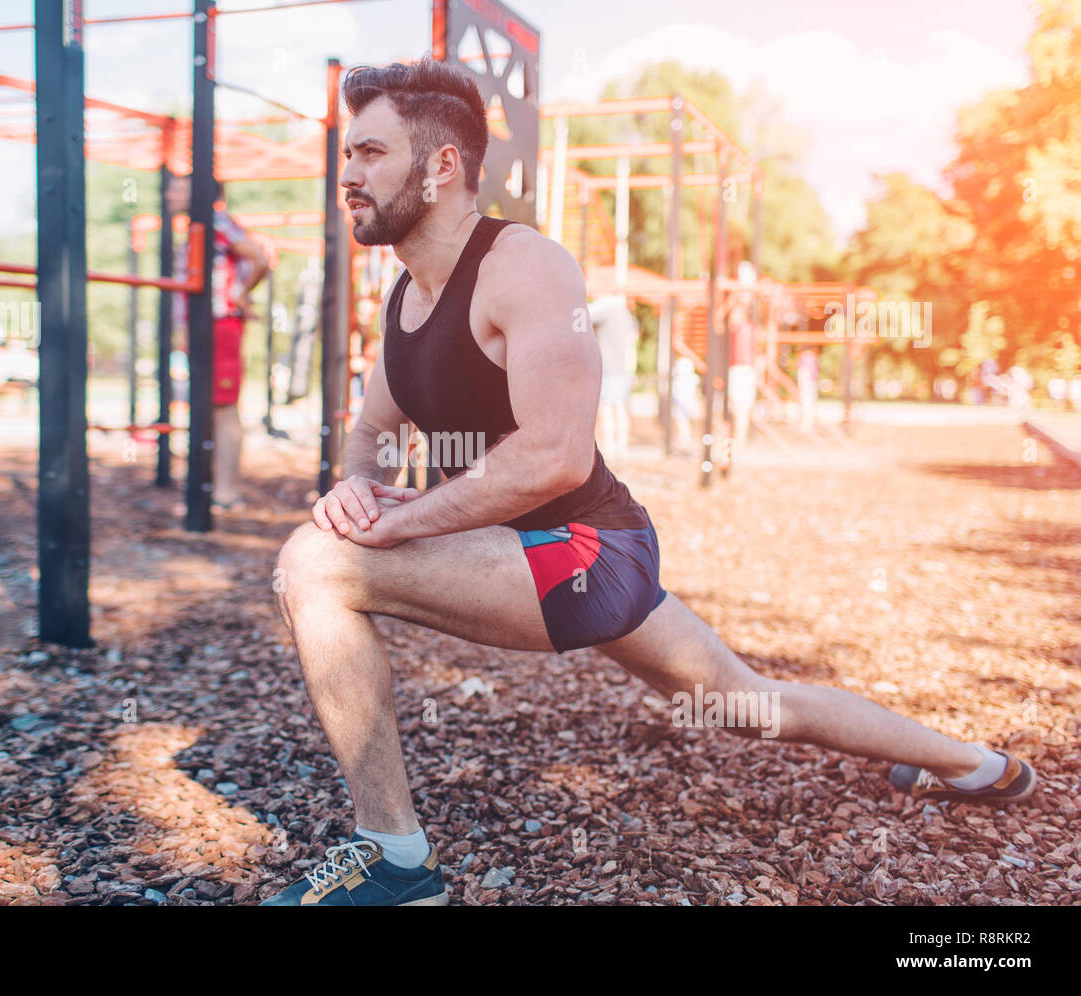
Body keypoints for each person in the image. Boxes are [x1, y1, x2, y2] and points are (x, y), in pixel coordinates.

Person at [259, 58, 1036, 907]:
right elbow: (372, 430)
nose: (349, 174)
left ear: (442, 165)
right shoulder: (409, 293)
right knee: (748, 704)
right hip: (521, 550)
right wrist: (360, 490)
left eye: (371, 152)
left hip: (593, 550)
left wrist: (404, 525)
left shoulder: (525, 267)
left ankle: (399, 866)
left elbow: (554, 457)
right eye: (347, 154)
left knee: (317, 565)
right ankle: (978, 765)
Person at [167, 177, 270, 510]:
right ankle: (207, 485)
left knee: (224, 407)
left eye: (179, 187)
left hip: (220, 324)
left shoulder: (216, 223)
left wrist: (240, 295)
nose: (170, 193)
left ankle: (226, 492)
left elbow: (258, 258)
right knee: (207, 405)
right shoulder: (201, 228)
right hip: (204, 325)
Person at [587, 294, 638, 466]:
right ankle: (621, 447)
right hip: (624, 368)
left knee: (607, 408)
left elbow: (585, 314)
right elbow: (633, 339)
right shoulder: (628, 317)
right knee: (620, 408)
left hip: (609, 367)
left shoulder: (606, 309)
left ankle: (609, 447)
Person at [726, 293, 757, 458]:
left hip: (745, 371)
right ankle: (731, 450)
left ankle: (738, 449)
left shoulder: (750, 327)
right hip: (734, 371)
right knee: (731, 413)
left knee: (742, 413)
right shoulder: (731, 331)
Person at [797, 346, 819, 431]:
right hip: (810, 383)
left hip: (807, 384)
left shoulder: (806, 358)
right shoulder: (812, 358)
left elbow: (803, 373)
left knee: (807, 403)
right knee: (809, 404)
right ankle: (808, 423)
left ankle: (807, 424)